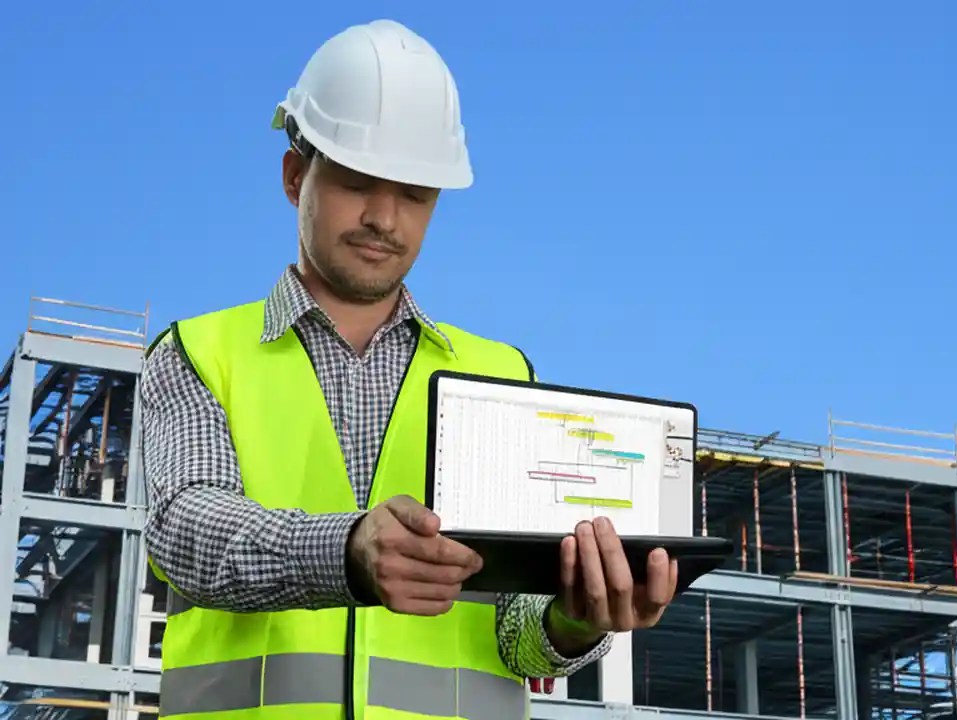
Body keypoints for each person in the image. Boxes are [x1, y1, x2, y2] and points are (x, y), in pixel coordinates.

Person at [140, 18, 678, 720]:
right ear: (295, 175)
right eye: (359, 181)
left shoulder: (501, 373)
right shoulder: (199, 352)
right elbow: (187, 533)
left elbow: (514, 634)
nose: (385, 218)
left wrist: (575, 623)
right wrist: (347, 550)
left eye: (415, 194)